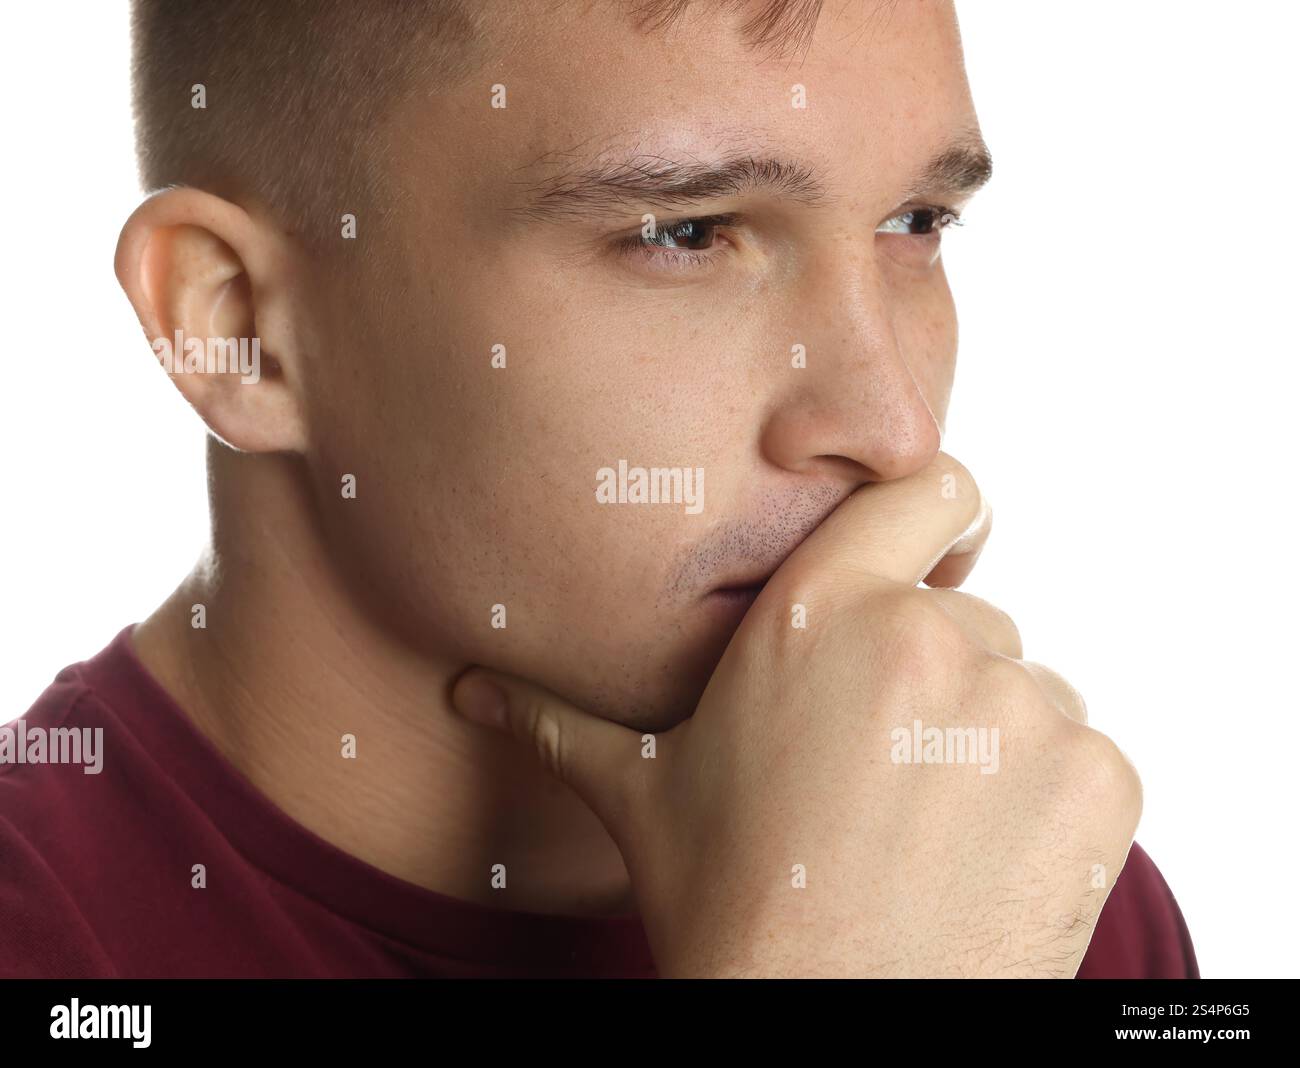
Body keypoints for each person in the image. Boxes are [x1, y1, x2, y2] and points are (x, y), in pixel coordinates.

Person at [0, 0, 1197, 978]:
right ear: (241, 330)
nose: (897, 433)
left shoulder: (1032, 879)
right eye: (685, 233)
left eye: (914, 219)